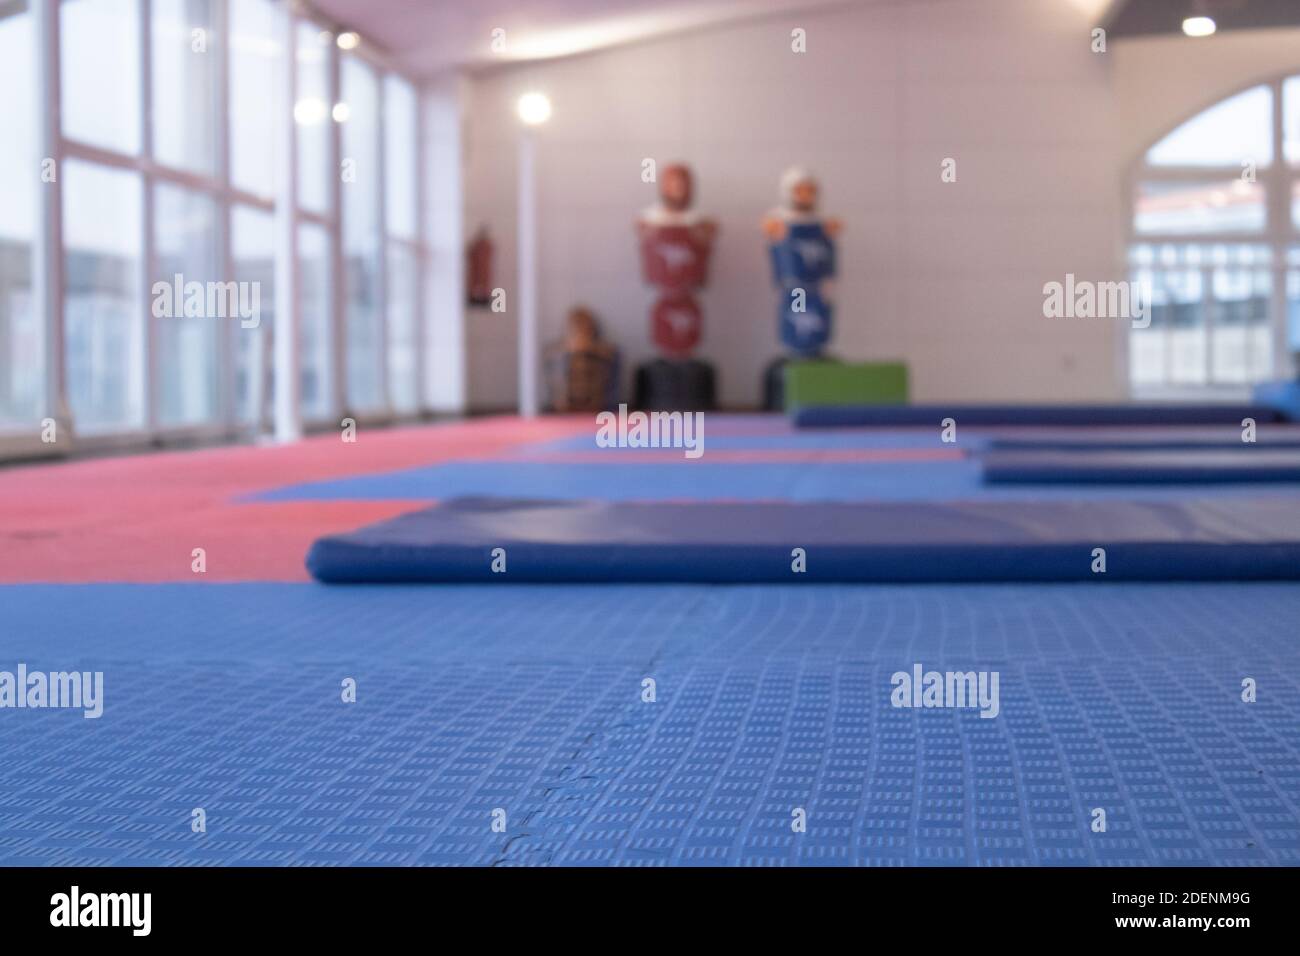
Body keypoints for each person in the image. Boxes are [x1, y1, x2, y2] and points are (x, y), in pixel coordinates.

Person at [545, 306, 619, 412]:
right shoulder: (556, 351)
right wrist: (570, 348)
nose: (581, 330)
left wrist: (590, 348)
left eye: (585, 326)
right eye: (576, 326)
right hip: (564, 407)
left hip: (597, 407)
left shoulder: (606, 351)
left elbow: (612, 355)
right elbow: (549, 354)